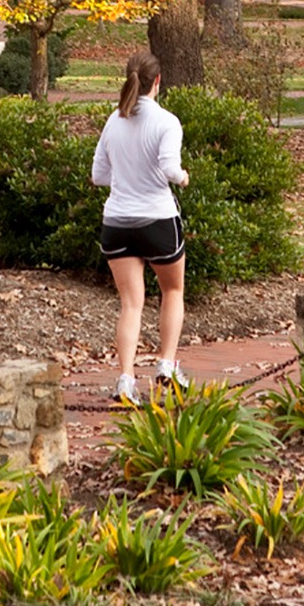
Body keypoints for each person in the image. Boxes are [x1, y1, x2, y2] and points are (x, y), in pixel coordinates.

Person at [91, 51, 190, 404]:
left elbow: (98, 175)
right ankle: (166, 363)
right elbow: (168, 167)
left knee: (131, 304)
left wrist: (126, 176)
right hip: (158, 220)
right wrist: (183, 177)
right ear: (158, 81)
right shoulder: (167, 122)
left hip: (117, 222)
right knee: (173, 292)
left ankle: (126, 380)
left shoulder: (113, 121)